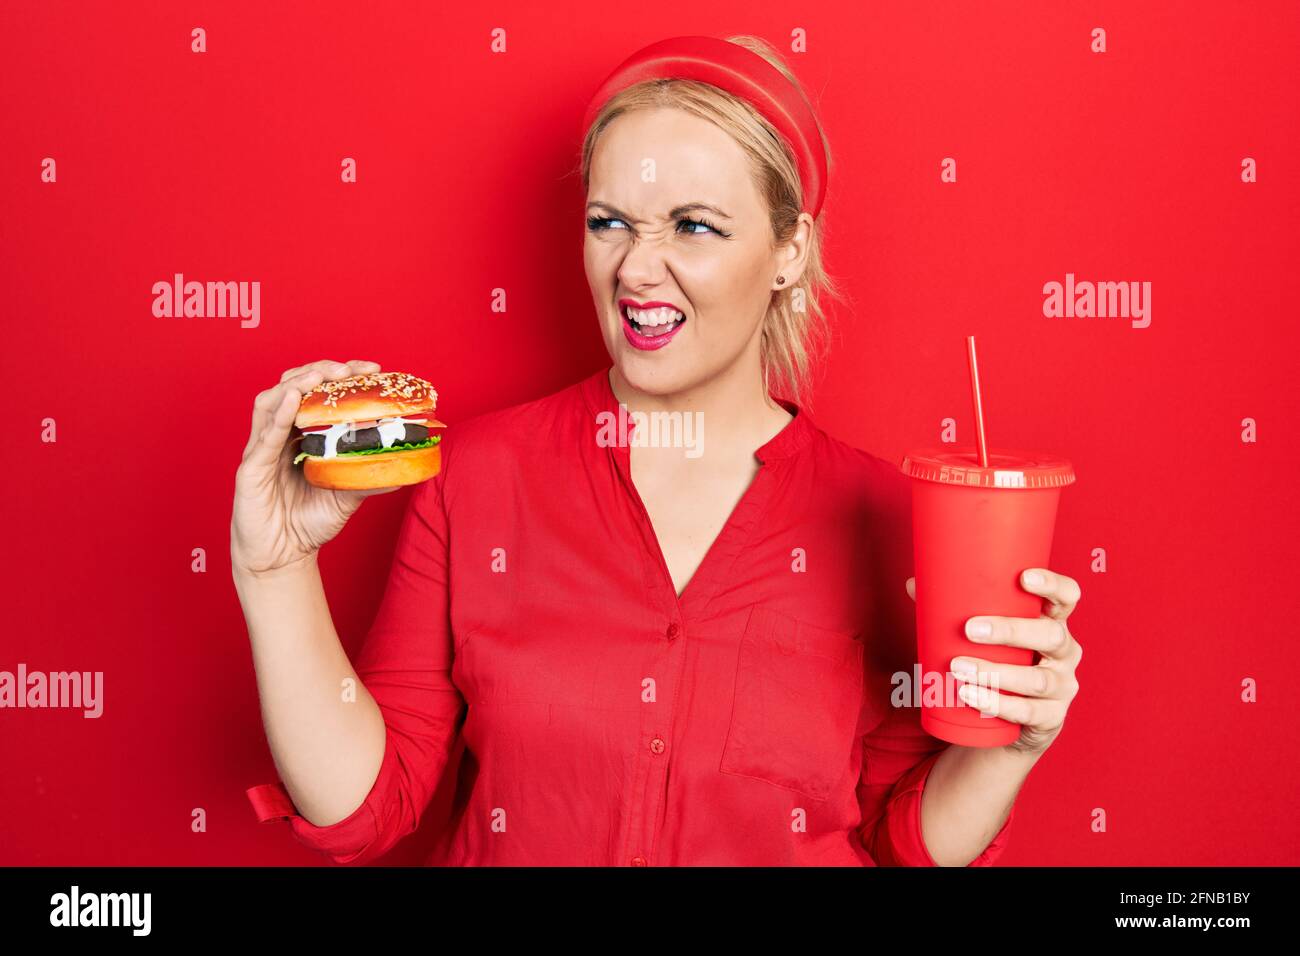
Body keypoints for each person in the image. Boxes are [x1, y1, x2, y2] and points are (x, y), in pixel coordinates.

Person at [233, 34, 1083, 866]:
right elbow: (367, 810)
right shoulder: (477, 476)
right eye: (610, 222)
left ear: (789, 251)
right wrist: (274, 575)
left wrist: (1012, 745)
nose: (637, 268)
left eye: (694, 227)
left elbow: (902, 840)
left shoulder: (887, 515)